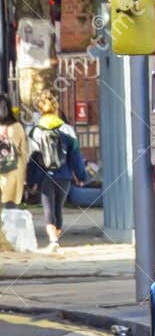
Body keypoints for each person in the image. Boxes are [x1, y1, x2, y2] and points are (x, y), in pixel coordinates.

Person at [26, 91, 87, 254]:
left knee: (48, 208)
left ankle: (53, 241)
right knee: (58, 208)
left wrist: (31, 181)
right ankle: (56, 240)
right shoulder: (67, 129)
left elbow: (33, 159)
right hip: (64, 176)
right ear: (56, 108)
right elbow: (76, 156)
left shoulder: (35, 131)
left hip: (45, 176)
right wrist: (81, 176)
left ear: (40, 109)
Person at [0, 96, 29, 209]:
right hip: (14, 171)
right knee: (10, 209)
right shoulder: (18, 126)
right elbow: (24, 153)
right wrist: (25, 174)